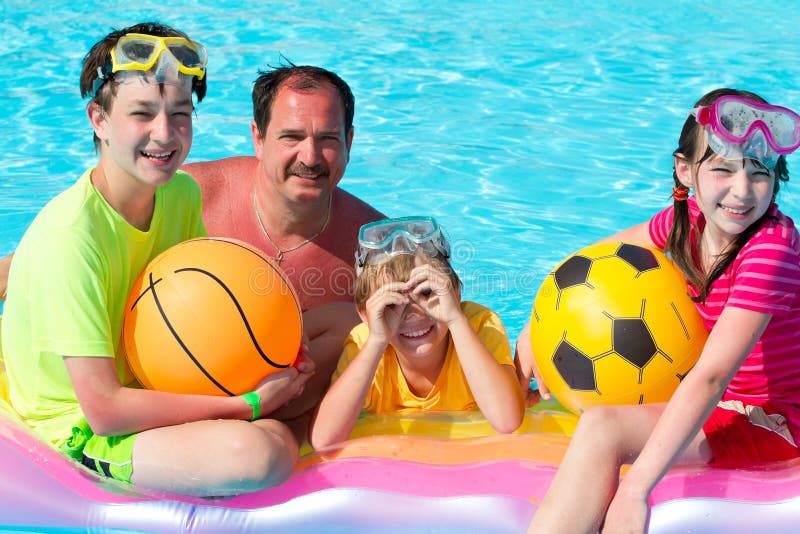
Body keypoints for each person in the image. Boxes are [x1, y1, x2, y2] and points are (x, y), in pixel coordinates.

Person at [1, 22, 313, 497]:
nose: (164, 134)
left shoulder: (180, 193)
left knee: (319, 342)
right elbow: (103, 410)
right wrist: (246, 404)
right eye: (142, 113)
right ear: (99, 120)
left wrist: (274, 354)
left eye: (180, 113)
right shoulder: (72, 236)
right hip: (78, 428)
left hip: (144, 386)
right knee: (255, 454)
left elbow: (192, 317)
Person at [524, 88, 800, 534]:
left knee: (603, 429)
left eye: (760, 173)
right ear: (685, 170)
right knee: (601, 425)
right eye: (723, 169)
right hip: (720, 403)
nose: (742, 191)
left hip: (771, 419)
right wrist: (531, 330)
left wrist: (636, 492)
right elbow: (592, 258)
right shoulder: (686, 219)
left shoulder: (771, 250)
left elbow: (711, 377)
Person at [183, 64, 385, 421]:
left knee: (365, 319)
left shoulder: (374, 247)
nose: (310, 157)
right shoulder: (189, 198)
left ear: (348, 142)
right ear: (258, 139)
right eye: (291, 137)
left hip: (283, 425)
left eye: (327, 139)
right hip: (174, 393)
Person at [310, 216, 524, 449]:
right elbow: (324, 440)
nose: (413, 314)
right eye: (392, 304)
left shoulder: (479, 326)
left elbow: (507, 421)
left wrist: (455, 319)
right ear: (366, 315)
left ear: (455, 293)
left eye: (427, 292)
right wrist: (377, 340)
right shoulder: (365, 344)